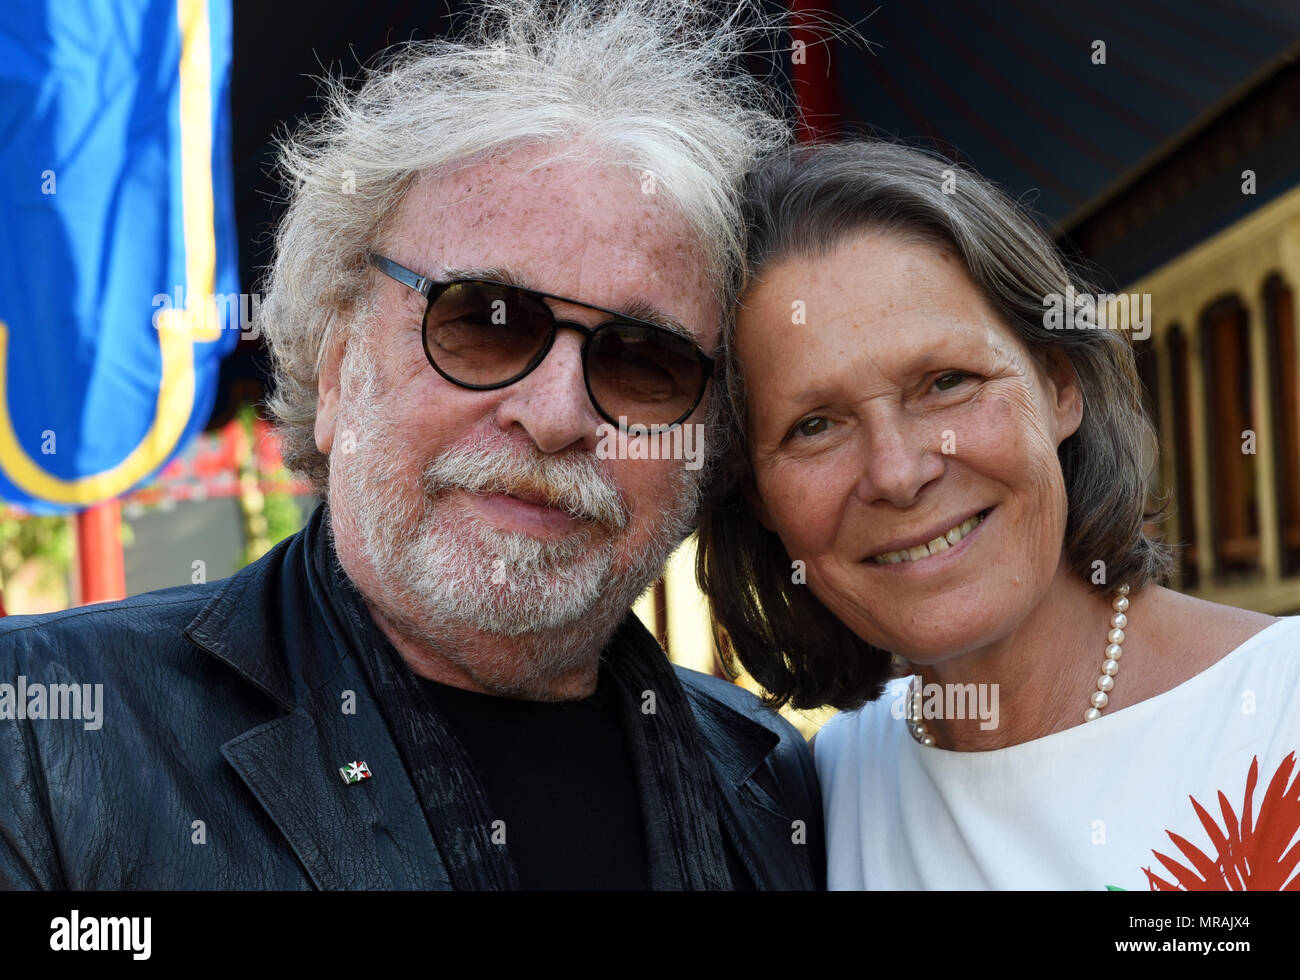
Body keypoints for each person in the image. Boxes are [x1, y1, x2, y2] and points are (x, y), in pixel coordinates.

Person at [0, 1, 824, 891]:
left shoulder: (769, 783)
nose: (553, 415)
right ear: (339, 359)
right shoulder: (44, 735)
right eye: (481, 323)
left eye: (643, 361)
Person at [697, 138, 1300, 890]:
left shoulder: (1283, 708)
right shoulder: (820, 793)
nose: (897, 472)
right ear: (756, 498)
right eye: (814, 425)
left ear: (1059, 386)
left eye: (947, 381)